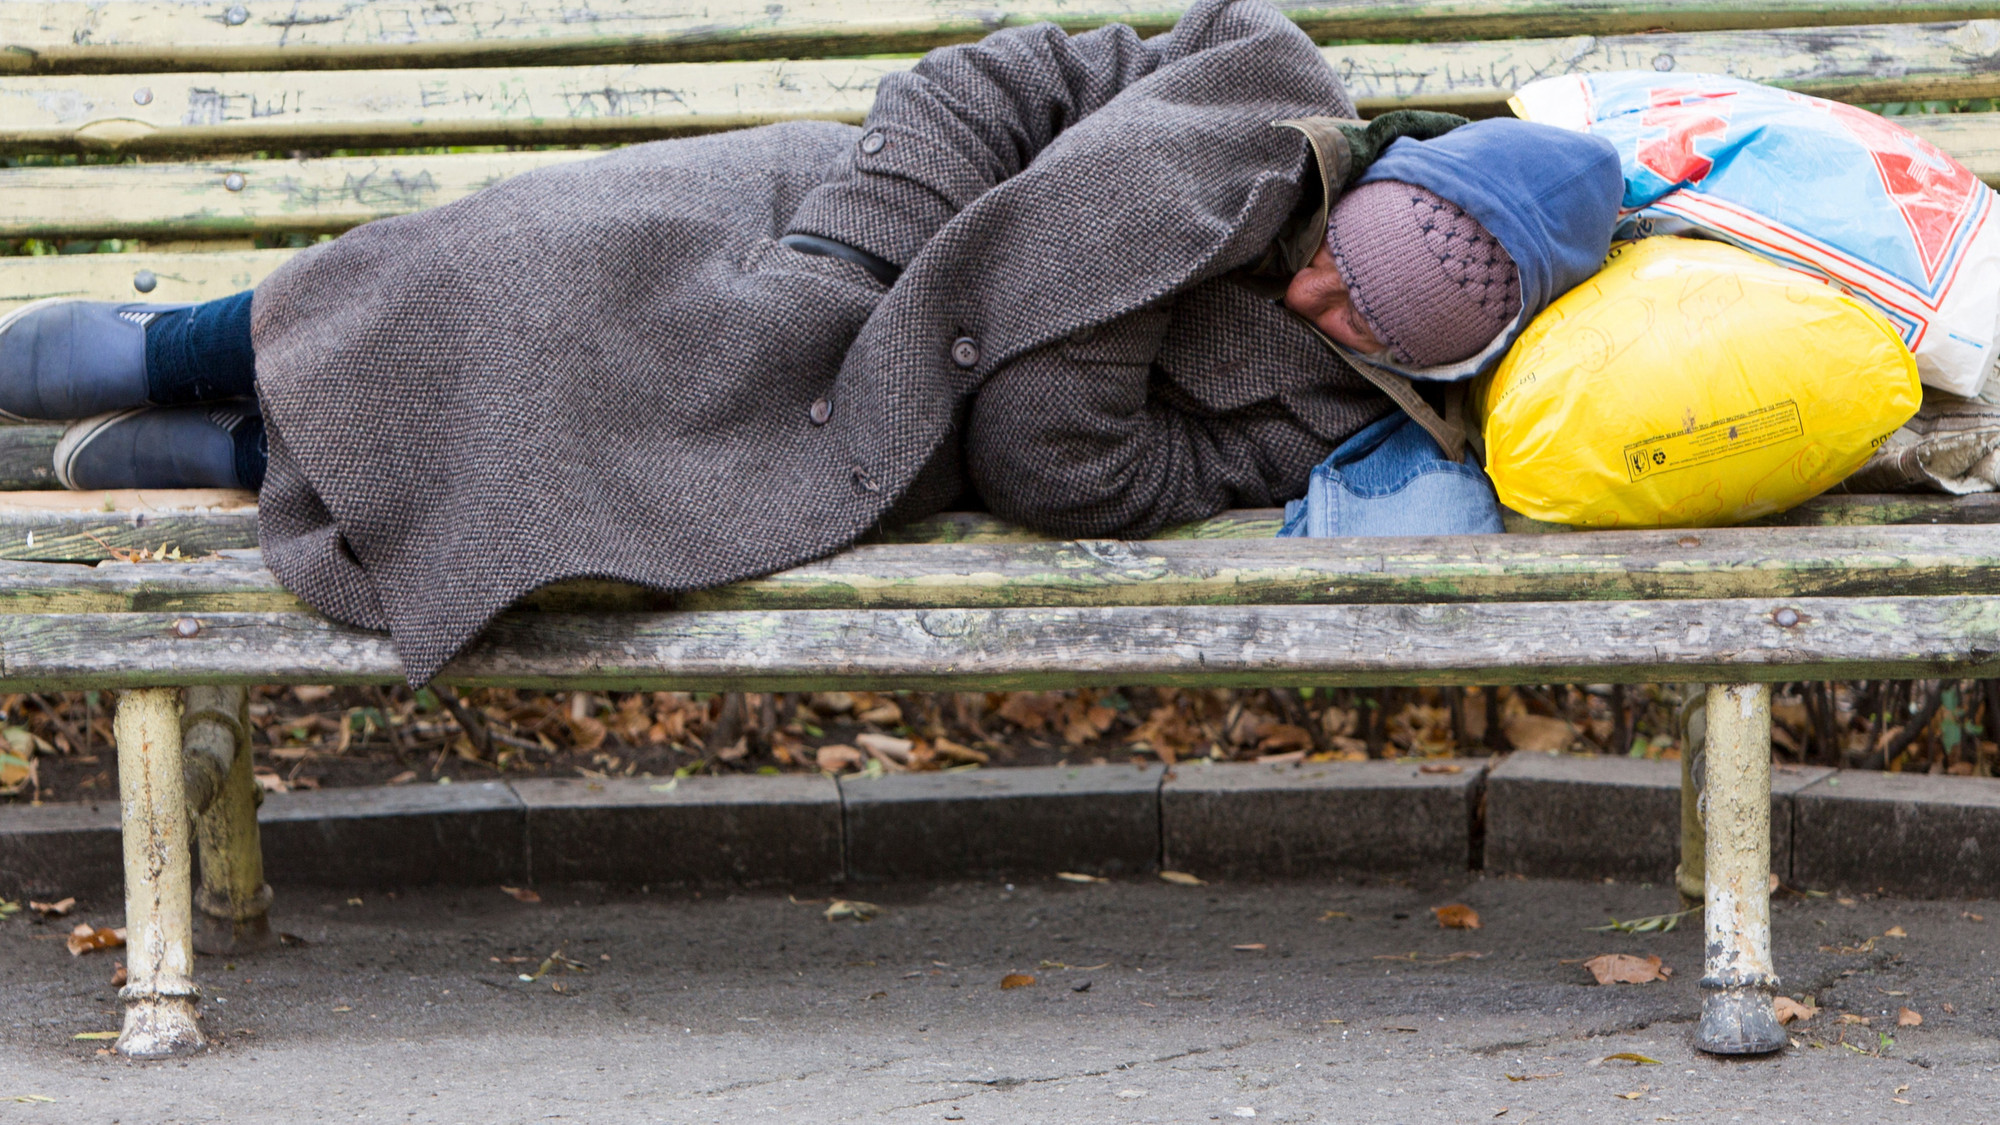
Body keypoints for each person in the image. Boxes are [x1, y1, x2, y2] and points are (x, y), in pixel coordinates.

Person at [0, 0, 1619, 683]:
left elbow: (1080, 473)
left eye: (1372, 332)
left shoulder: (1320, 412)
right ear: (1377, 182)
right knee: (465, 284)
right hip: (808, 222)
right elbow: (980, 92)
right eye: (1344, 269)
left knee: (511, 456)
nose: (1322, 309)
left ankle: (204, 452)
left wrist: (1092, 277)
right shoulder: (1244, 92)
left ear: (1431, 365)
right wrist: (847, 245)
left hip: (862, 434)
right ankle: (163, 359)